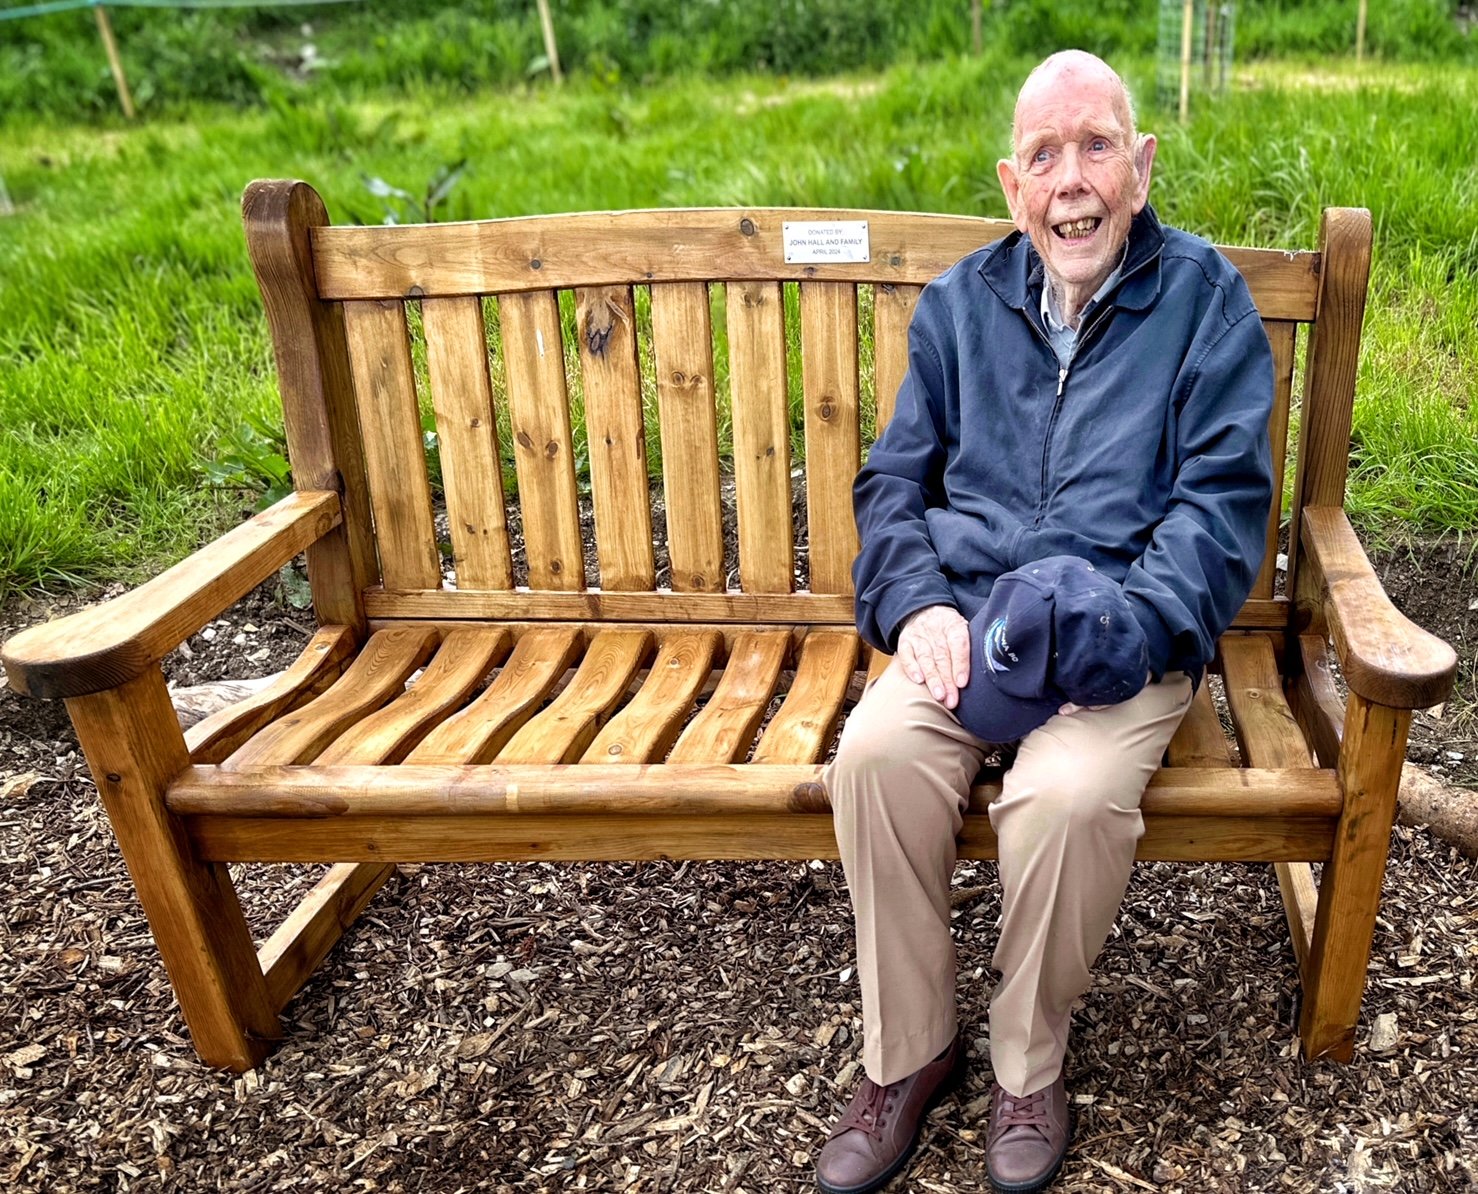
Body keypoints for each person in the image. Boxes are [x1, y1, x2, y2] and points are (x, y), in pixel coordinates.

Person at [814, 50, 1275, 1194]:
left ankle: (1027, 1062)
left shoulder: (1205, 303)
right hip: (968, 622)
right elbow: (892, 486)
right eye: (1043, 156)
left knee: (1062, 799)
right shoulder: (959, 307)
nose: (1071, 182)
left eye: (1096, 147)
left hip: (1121, 635)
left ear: (1141, 162)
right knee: (872, 758)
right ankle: (908, 1052)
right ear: (1009, 185)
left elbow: (1219, 508)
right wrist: (915, 602)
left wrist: (1122, 632)